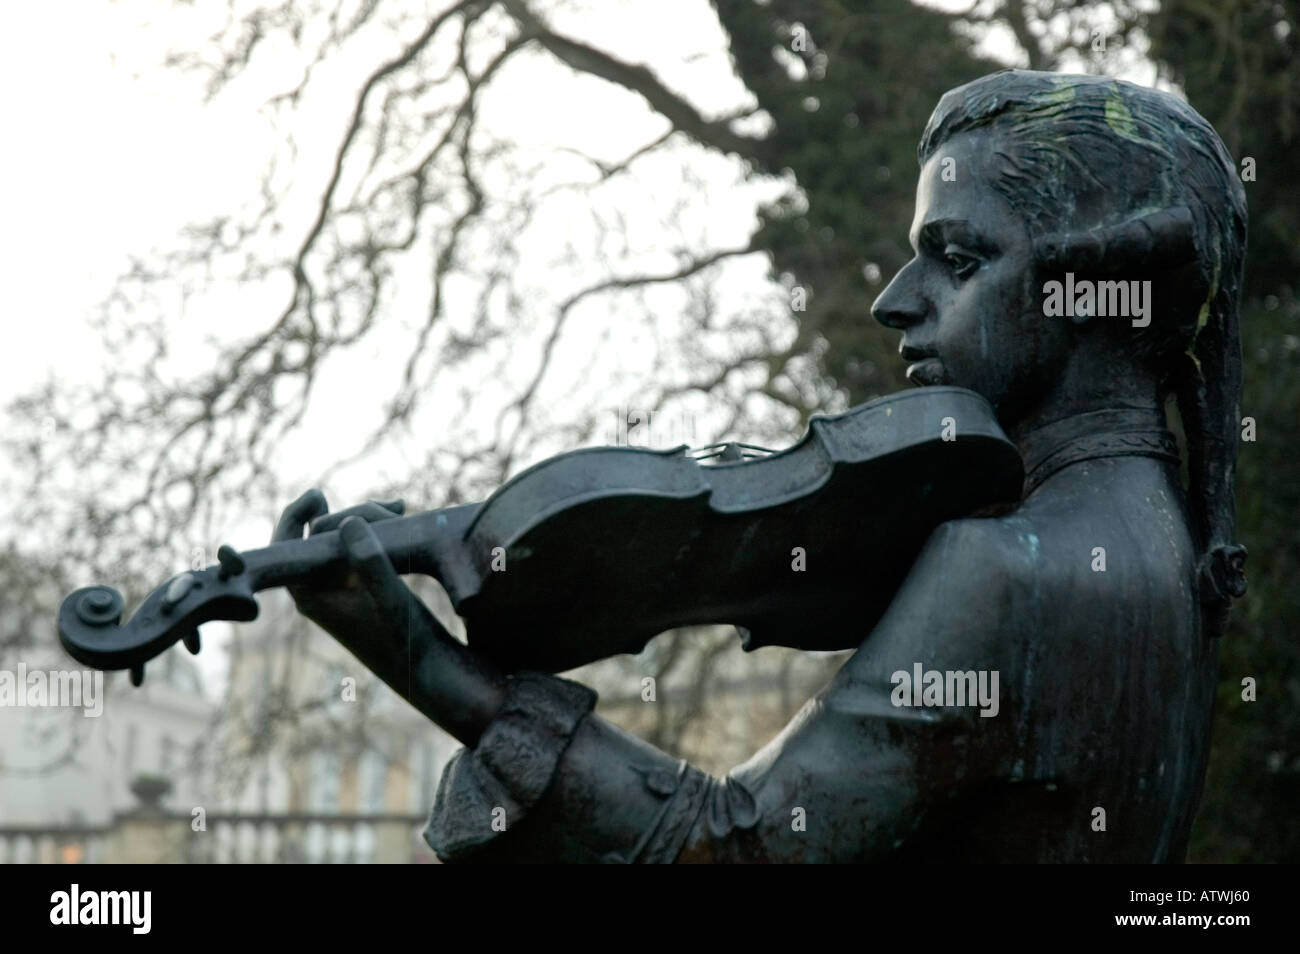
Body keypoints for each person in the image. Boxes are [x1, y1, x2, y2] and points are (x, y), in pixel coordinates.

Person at [272, 70, 1248, 862]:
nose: (895, 300)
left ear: (1089, 286)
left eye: (956, 258)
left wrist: (424, 662)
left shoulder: (1013, 572)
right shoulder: (1162, 542)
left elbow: (725, 848)